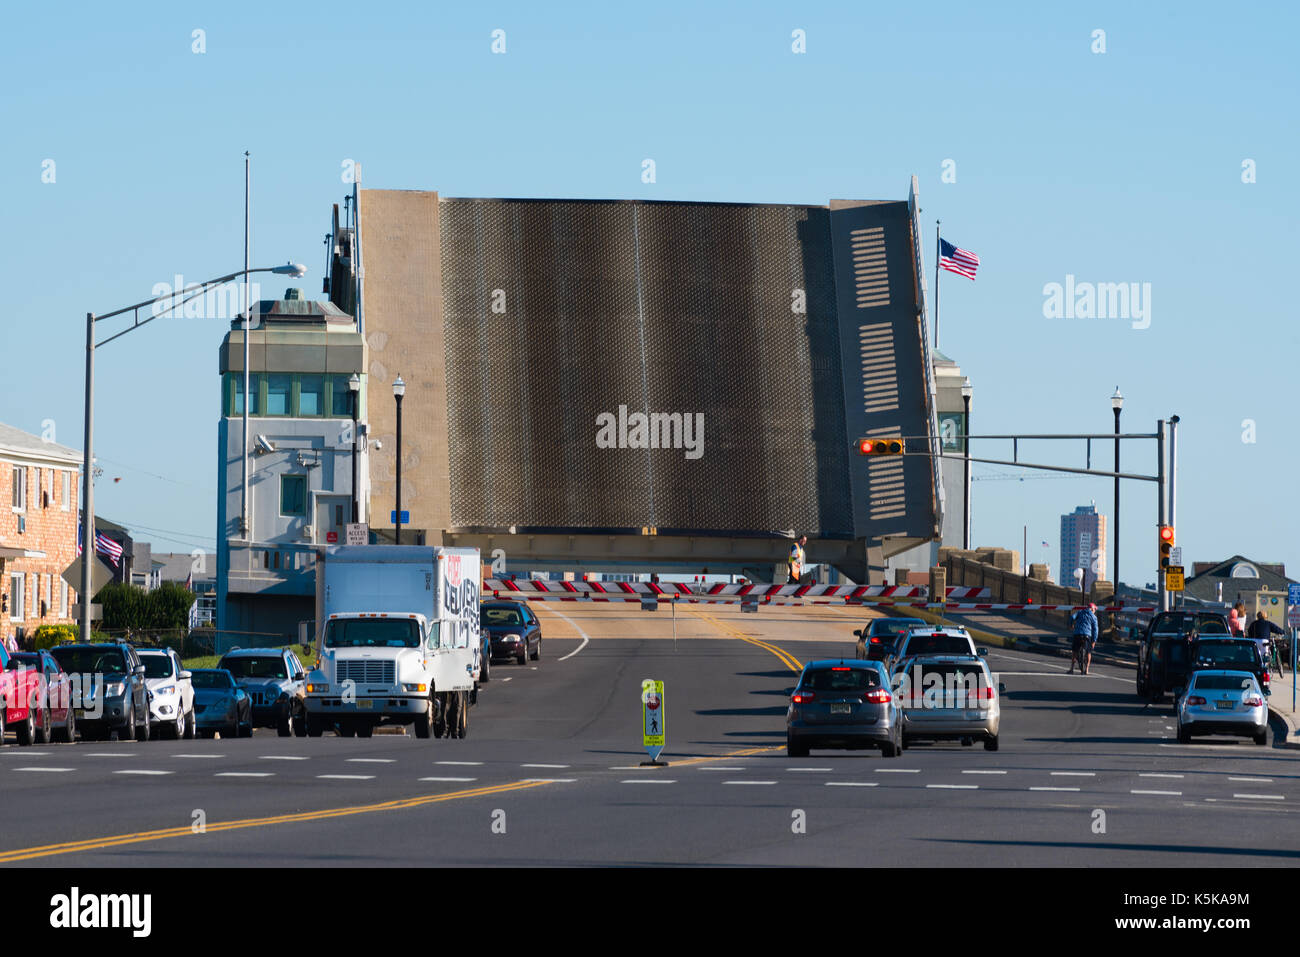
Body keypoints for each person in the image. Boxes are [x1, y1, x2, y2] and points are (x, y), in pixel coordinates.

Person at [1069, 602, 1099, 675]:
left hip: (1077, 634)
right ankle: (1087, 669)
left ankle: (1072, 668)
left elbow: (1072, 617)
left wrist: (1071, 625)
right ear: (1092, 609)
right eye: (1095, 609)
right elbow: (1095, 630)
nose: (1095, 611)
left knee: (1074, 651)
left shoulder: (1080, 612)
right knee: (1088, 652)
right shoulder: (1094, 617)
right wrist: (1094, 641)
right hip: (1087, 635)